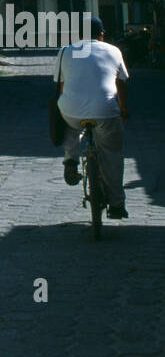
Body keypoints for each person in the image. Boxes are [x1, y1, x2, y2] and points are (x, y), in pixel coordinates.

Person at [54, 15, 129, 219]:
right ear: (102, 35)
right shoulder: (114, 51)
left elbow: (61, 88)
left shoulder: (65, 52)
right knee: (112, 153)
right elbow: (121, 84)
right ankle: (116, 204)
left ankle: (71, 159)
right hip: (105, 112)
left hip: (72, 111)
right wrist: (123, 110)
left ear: (77, 36)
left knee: (69, 122)